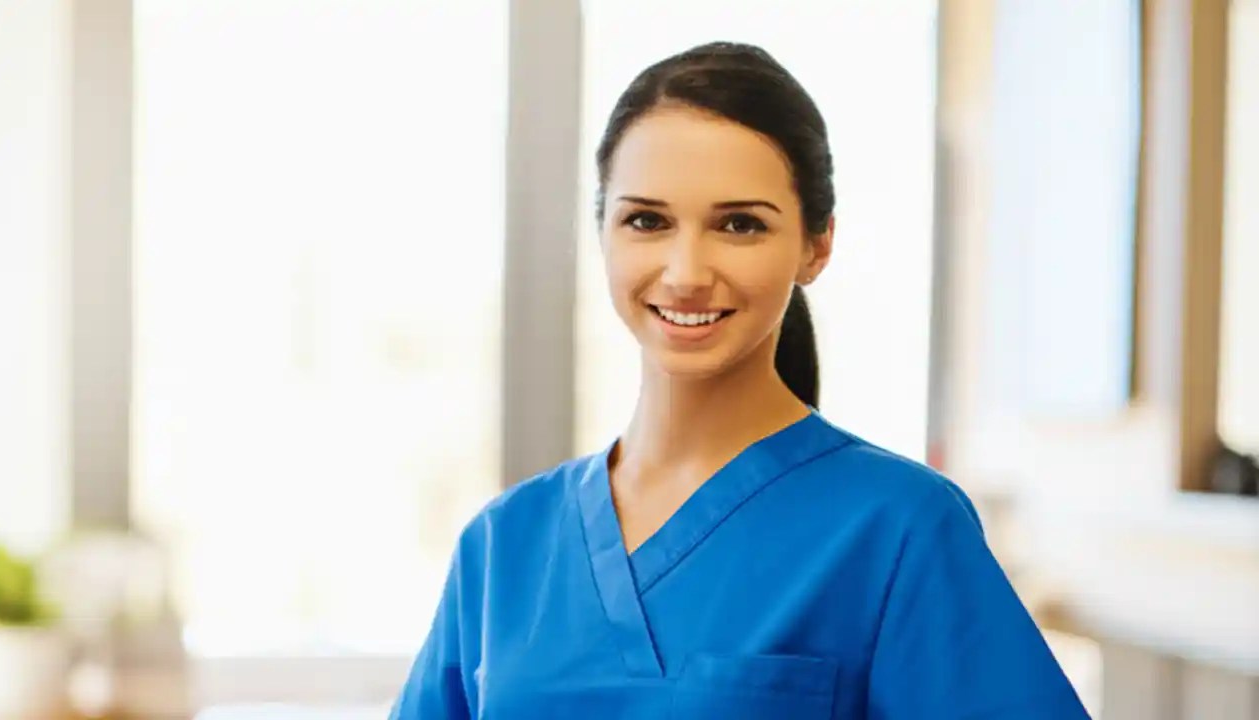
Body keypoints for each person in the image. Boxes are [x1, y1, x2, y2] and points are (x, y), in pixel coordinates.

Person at [389, 41, 1089, 719]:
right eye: (646, 220)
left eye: (740, 225)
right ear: (602, 228)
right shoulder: (506, 544)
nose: (687, 272)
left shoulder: (899, 527)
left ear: (816, 247)